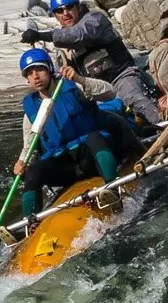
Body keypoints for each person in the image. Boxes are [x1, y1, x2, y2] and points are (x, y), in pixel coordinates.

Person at [15, 48, 142, 220]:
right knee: (33, 170)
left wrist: (79, 78)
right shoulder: (30, 110)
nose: (35, 76)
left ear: (49, 69)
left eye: (39, 69)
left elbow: (110, 92)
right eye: (29, 73)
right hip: (65, 165)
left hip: (91, 157)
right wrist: (22, 162)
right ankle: (29, 223)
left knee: (94, 137)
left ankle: (112, 189)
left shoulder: (72, 85)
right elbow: (29, 145)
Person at [20, 0, 161, 126]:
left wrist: (42, 35)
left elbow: (78, 35)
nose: (65, 13)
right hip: (94, 91)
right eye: (59, 11)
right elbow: (59, 73)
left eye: (69, 7)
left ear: (79, 7)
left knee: (134, 98)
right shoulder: (61, 47)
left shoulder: (95, 20)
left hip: (122, 77)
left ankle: (162, 126)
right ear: (55, 15)